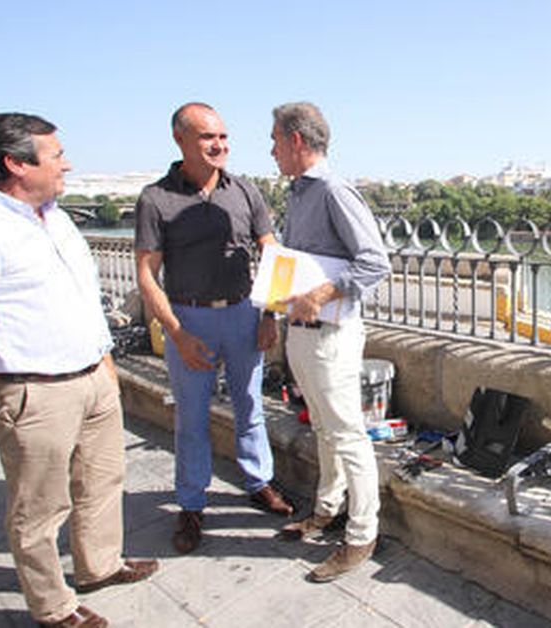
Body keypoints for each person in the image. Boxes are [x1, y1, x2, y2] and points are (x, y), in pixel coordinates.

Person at [0, 113, 157, 628]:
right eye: (55, 154)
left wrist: (103, 363)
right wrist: (8, 377)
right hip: (33, 392)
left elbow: (85, 304)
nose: (66, 162)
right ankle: (52, 606)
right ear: (16, 164)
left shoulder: (58, 218)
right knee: (39, 509)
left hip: (93, 377)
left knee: (101, 480)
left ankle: (100, 565)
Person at [135, 102, 293, 555]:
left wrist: (269, 314)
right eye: (207, 137)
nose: (219, 145)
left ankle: (258, 481)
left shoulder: (244, 191)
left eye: (223, 137)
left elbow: (272, 254)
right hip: (191, 319)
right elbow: (146, 275)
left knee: (250, 405)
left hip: (244, 313)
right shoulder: (156, 198)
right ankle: (191, 504)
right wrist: (175, 332)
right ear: (180, 140)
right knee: (191, 419)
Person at [269, 101, 391, 582]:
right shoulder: (298, 194)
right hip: (302, 332)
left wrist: (320, 292)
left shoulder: (335, 192)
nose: (272, 150)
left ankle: (362, 535)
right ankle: (326, 508)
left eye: (276, 140)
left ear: (297, 140)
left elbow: (375, 262)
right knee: (322, 427)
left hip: (332, 334)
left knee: (346, 434)